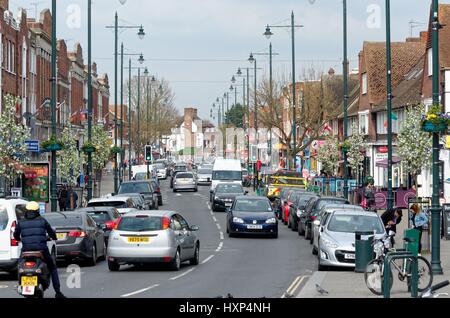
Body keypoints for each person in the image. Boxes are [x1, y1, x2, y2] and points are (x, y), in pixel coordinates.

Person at [13, 202, 66, 298]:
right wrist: (53, 237)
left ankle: (20, 283)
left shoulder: (21, 222)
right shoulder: (42, 221)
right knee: (53, 268)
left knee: (20, 266)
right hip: (41, 250)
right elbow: (51, 232)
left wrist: (19, 239)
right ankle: (58, 292)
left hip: (26, 251)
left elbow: (16, 235)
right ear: (37, 211)